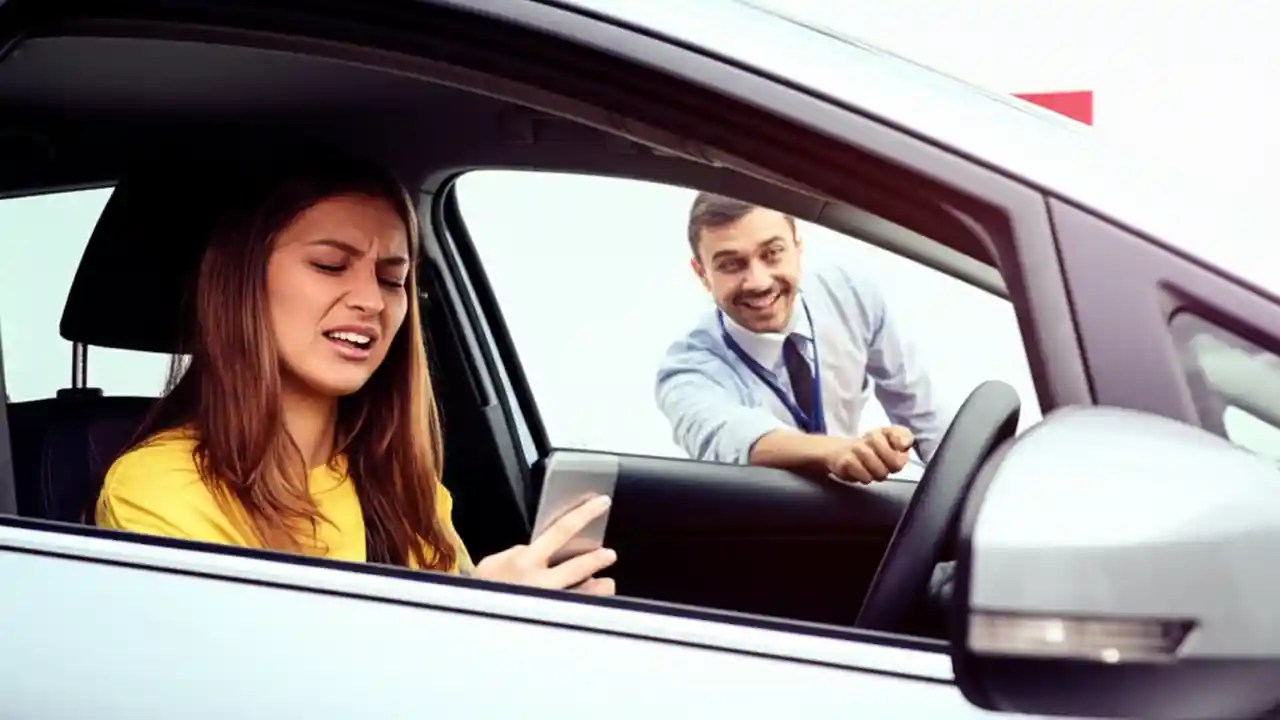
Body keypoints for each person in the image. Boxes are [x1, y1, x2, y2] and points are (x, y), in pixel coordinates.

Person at [93, 145, 616, 595]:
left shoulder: (401, 481)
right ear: (242, 283)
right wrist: (486, 616)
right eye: (329, 265)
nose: (371, 301)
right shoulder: (161, 489)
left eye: (392, 279)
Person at [655, 192, 944, 484]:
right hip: (770, 521)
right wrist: (834, 450)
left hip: (859, 507)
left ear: (797, 246)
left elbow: (924, 416)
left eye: (772, 253)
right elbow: (729, 437)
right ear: (701, 273)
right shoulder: (686, 370)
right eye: (732, 264)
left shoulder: (851, 295)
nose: (758, 282)